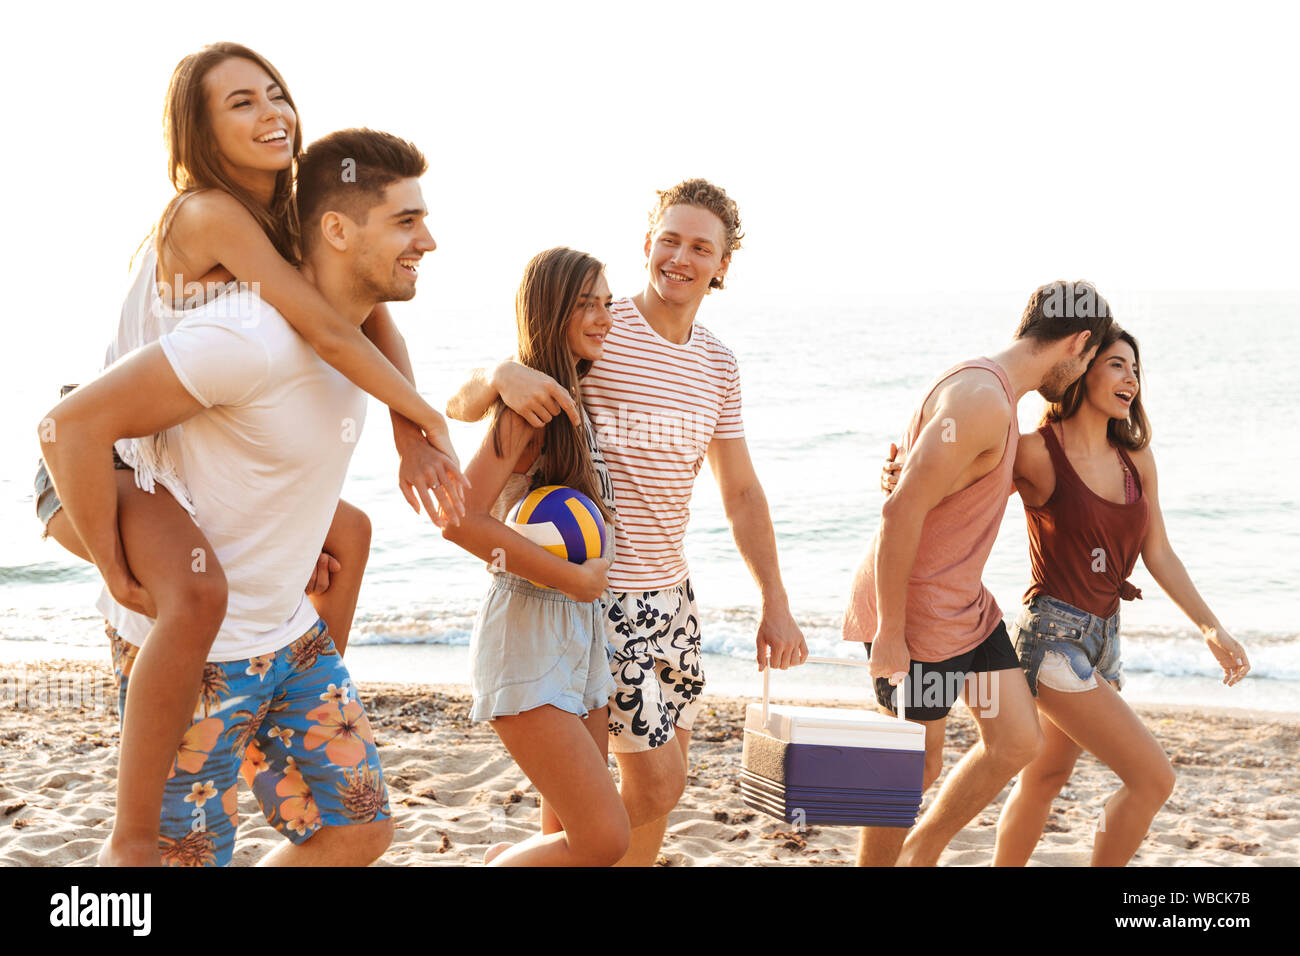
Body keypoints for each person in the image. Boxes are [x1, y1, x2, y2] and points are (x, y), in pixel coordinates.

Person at [33, 43, 463, 866]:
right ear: (196, 130)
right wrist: (118, 574)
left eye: (275, 93)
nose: (271, 112)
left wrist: (412, 433)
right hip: (107, 451)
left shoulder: (289, 214)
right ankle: (130, 838)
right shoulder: (209, 215)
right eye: (240, 103)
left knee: (349, 536)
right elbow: (331, 325)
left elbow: (367, 316)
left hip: (172, 442)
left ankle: (282, 687)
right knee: (192, 595)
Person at [446, 179, 808, 866]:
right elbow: (467, 402)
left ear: (722, 265)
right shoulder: (600, 329)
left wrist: (776, 602)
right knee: (658, 784)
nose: (681, 256)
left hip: (672, 599)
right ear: (648, 243)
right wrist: (499, 372)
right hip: (596, 596)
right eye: (669, 239)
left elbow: (741, 492)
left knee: (628, 791)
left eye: (701, 247)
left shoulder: (718, 364)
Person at [887, 326, 1252, 864]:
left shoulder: (1136, 459)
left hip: (1105, 641)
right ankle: (923, 846)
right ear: (1082, 371)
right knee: (1153, 779)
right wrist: (900, 475)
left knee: (1047, 775)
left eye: (1135, 369)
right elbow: (955, 481)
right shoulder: (1036, 453)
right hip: (1051, 641)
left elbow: (1160, 554)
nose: (1131, 378)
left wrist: (1210, 627)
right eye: (1116, 365)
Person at [842, 280, 1114, 867]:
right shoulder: (982, 400)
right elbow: (899, 510)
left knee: (1017, 740)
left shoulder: (990, 392)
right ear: (1080, 342)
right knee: (913, 766)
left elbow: (918, 485)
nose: (1085, 373)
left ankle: (921, 852)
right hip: (919, 617)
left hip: (964, 608)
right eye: (1091, 360)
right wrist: (891, 630)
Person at [441, 247, 630, 866]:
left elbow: (458, 401)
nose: (603, 317)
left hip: (581, 631)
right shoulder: (527, 408)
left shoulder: (572, 387)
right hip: (526, 629)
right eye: (585, 304)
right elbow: (459, 520)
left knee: (566, 832)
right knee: (603, 840)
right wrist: (576, 579)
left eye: (606, 302)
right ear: (550, 312)